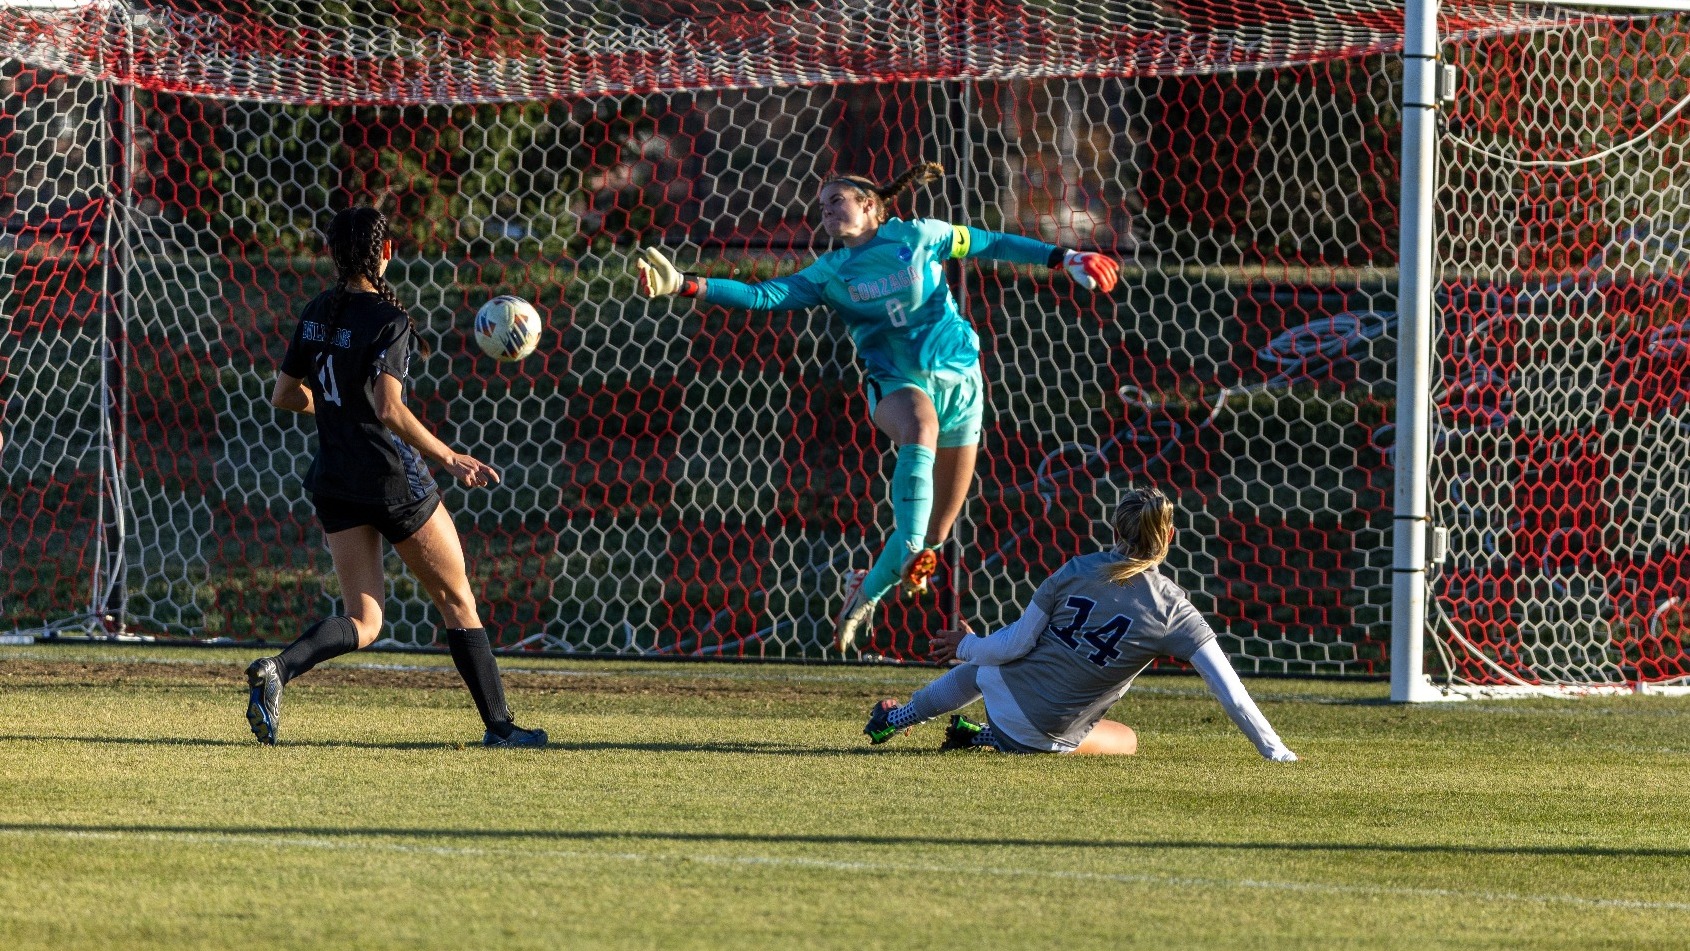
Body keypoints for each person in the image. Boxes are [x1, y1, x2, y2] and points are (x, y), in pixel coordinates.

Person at [636, 162, 1121, 653]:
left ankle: (864, 590)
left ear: (869, 204)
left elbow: (990, 242)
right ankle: (902, 553)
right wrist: (686, 284)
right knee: (920, 427)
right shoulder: (832, 273)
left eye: (836, 201)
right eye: (822, 205)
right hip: (896, 384)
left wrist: (1063, 256)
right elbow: (765, 295)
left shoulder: (921, 236)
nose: (826, 211)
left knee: (938, 530)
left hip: (964, 386)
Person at [245, 206, 545, 748]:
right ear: (386, 253)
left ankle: (278, 670)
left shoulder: (315, 312)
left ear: (334, 257)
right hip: (391, 480)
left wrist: (339, 412)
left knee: (364, 621)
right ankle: (500, 728)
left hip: (334, 478)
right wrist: (451, 457)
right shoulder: (390, 319)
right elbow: (390, 409)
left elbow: (285, 395)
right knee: (458, 601)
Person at [861, 487, 1298, 760]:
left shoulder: (1076, 568)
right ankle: (983, 739)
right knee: (1126, 741)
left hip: (1006, 700)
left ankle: (901, 718)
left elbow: (1013, 646)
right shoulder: (1174, 611)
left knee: (984, 666)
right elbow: (1233, 695)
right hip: (1051, 732)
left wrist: (967, 645)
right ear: (1169, 537)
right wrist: (1276, 752)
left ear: (1115, 528)